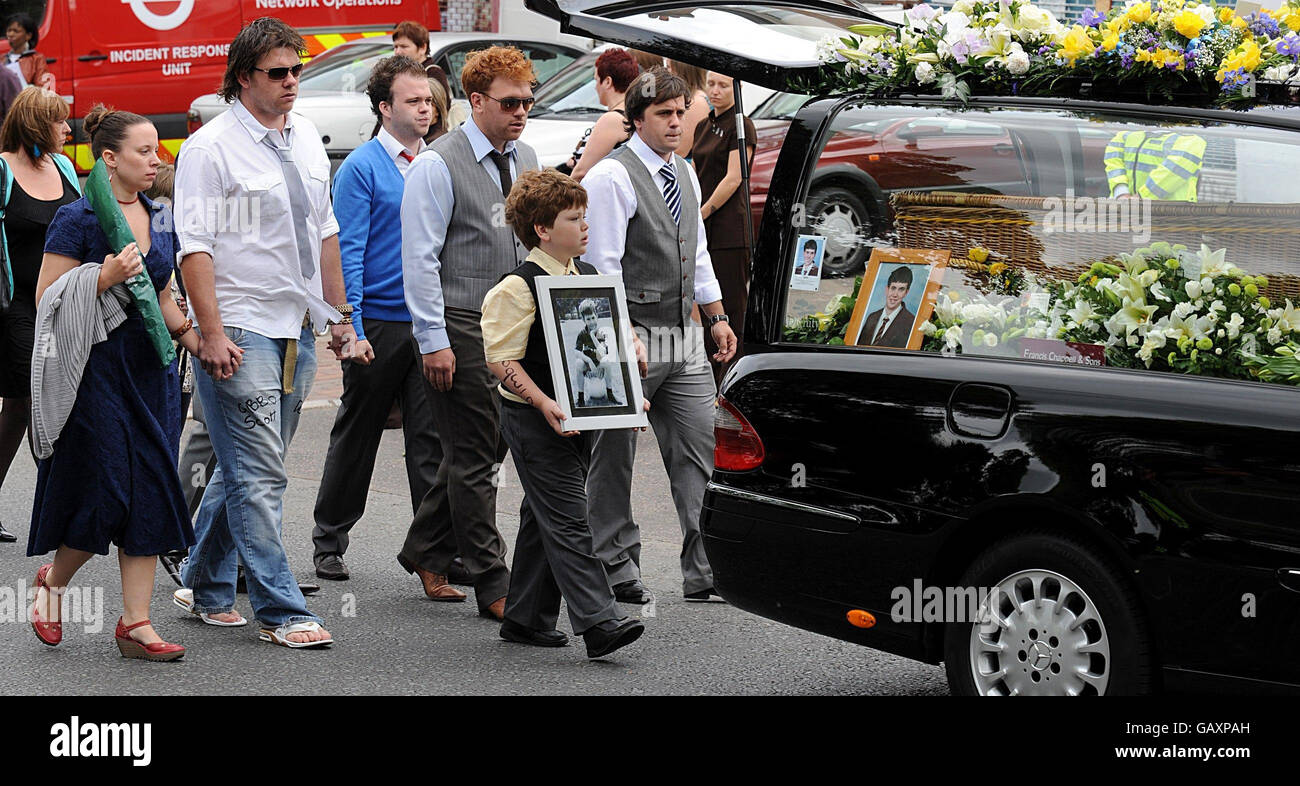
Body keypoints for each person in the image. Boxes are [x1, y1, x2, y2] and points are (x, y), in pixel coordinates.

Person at [173, 17, 352, 647]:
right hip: (240, 325)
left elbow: (323, 231)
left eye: (297, 70)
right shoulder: (209, 148)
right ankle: (281, 609)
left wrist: (340, 319)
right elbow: (194, 248)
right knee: (260, 472)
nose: (292, 82)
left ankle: (204, 581)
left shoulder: (302, 135)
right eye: (278, 73)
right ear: (243, 77)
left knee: (245, 465)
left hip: (296, 324)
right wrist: (211, 333)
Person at [27, 104, 196, 661]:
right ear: (109, 158)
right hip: (94, 369)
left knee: (148, 488)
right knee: (105, 489)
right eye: (144, 151)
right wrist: (104, 275)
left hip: (151, 371)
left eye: (157, 150)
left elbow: (165, 295)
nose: (157, 159)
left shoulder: (162, 214)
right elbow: (45, 298)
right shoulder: (78, 218)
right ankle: (53, 582)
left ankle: (136, 624)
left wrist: (198, 340)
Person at [582, 67, 737, 603]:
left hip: (682, 335)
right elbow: (600, 269)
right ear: (636, 120)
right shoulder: (611, 177)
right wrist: (622, 336)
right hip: (626, 336)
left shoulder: (686, 173)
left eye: (680, 114)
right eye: (664, 115)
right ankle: (615, 562)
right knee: (613, 454)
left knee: (698, 449)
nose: (676, 124)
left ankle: (705, 567)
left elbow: (697, 257)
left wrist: (715, 316)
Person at [400, 45, 540, 620]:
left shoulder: (527, 155)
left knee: (483, 447)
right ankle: (493, 579)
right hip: (459, 323)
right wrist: (432, 339)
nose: (521, 112)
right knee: (478, 455)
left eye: (529, 101)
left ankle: (424, 549)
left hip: (514, 324)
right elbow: (420, 259)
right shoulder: (437, 163)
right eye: (510, 103)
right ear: (476, 101)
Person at [482, 167, 646, 657]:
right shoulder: (516, 287)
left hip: (582, 415)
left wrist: (629, 387)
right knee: (572, 517)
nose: (585, 226)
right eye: (574, 218)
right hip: (534, 419)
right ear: (542, 229)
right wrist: (543, 402)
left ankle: (526, 618)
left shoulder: (591, 276)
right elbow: (500, 361)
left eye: (584, 216)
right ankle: (600, 622)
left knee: (544, 513)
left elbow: (604, 349)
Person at [310, 56, 447, 584]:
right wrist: (354, 328)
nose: (425, 107)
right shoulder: (363, 167)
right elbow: (350, 253)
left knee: (431, 438)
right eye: (413, 100)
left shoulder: (436, 162)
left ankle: (432, 555)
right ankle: (329, 539)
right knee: (358, 432)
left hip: (426, 324)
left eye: (429, 98)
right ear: (384, 108)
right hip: (379, 324)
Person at [0, 87, 80, 544]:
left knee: (17, 408)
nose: (68, 130)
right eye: (59, 122)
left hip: (63, 308)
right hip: (16, 310)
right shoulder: (2, 171)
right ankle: (62, 509)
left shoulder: (64, 167)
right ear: (34, 125)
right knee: (42, 403)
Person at [691, 70, 756, 384]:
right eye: (711, 84)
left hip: (729, 229)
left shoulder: (741, 126)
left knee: (731, 306)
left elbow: (735, 177)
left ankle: (733, 379)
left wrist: (702, 212)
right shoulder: (704, 125)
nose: (715, 90)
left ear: (738, 88)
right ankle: (710, 378)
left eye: (723, 85)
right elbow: (693, 170)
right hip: (704, 228)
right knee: (706, 307)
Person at [561, 48, 637, 180]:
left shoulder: (612, 119)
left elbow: (581, 172)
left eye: (596, 80)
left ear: (607, 81)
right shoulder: (632, 113)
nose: (596, 87)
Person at [1104, 130, 1206, 202]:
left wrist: (1140, 198)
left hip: (1170, 217)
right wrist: (1122, 193)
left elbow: (1173, 171)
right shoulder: (1125, 136)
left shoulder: (1191, 140)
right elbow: (1114, 164)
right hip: (1124, 214)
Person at [392, 20, 452, 106]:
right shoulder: (400, 72)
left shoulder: (433, 73)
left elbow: (440, 109)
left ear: (423, 48)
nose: (397, 51)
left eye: (404, 46)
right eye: (395, 47)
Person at [860, 266, 916, 348]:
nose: (895, 294)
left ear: (906, 292)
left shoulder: (911, 323)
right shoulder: (872, 317)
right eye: (893, 288)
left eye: (901, 289)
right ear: (887, 289)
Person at [666, 59, 708, 160]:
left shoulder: (697, 103)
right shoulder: (690, 99)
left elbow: (680, 150)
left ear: (680, 71)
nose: (666, 72)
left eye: (668, 67)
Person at [4, 14, 53, 90]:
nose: (10, 34)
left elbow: (43, 89)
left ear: (28, 36)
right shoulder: (2, 59)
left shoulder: (36, 60)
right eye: (9, 31)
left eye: (16, 31)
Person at [425, 76, 450, 143]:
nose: (423, 108)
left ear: (438, 110)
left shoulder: (435, 142)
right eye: (415, 101)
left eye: (428, 103)